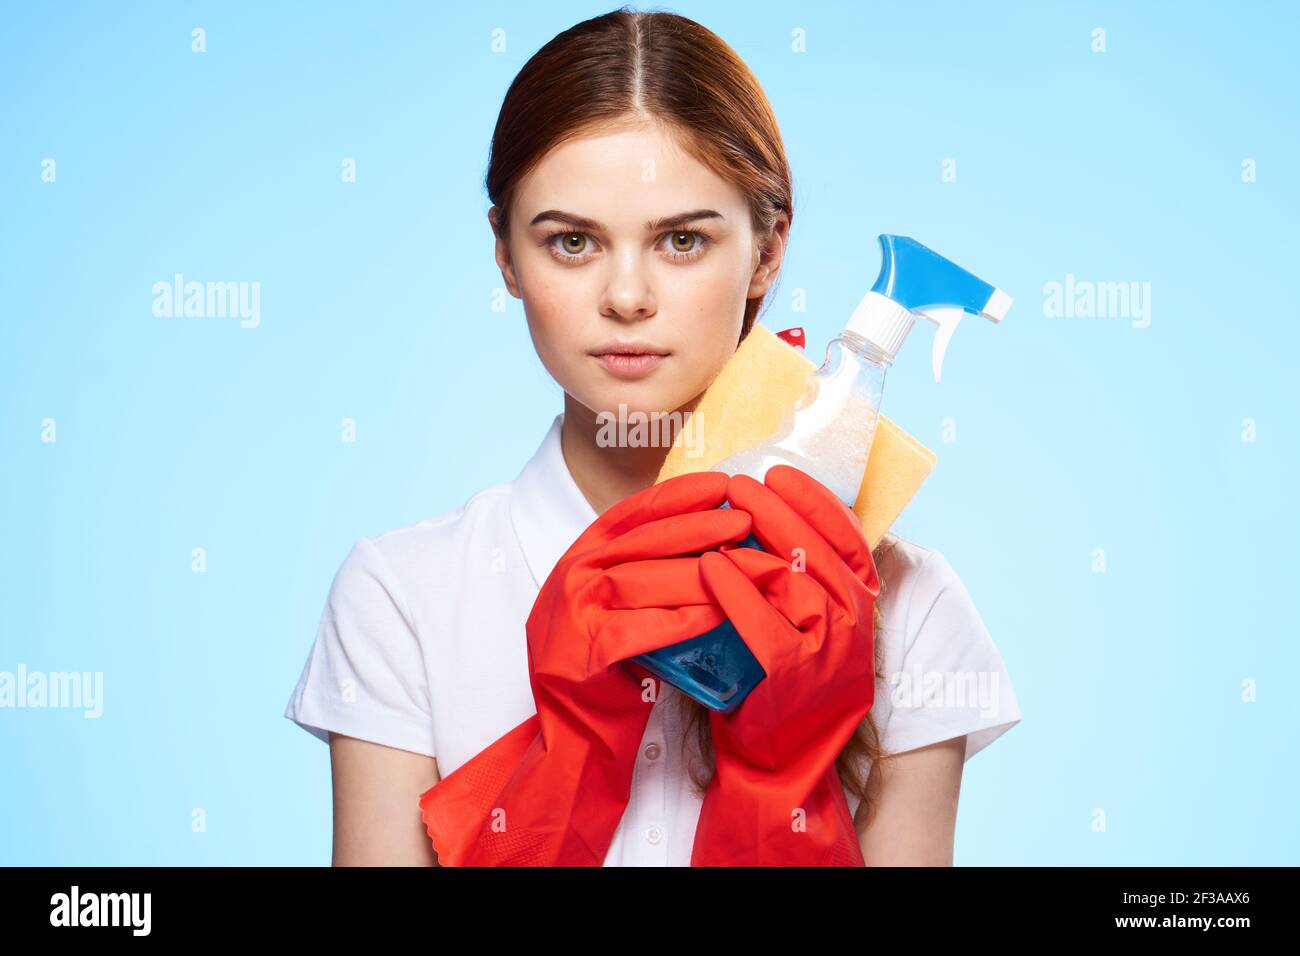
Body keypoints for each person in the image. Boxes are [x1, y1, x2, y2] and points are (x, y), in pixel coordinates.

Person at [284, 7, 1021, 866]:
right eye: (571, 241)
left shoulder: (906, 607)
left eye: (681, 240)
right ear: (505, 256)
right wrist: (566, 754)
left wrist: (781, 786)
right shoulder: (403, 598)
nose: (626, 296)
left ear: (768, 251)